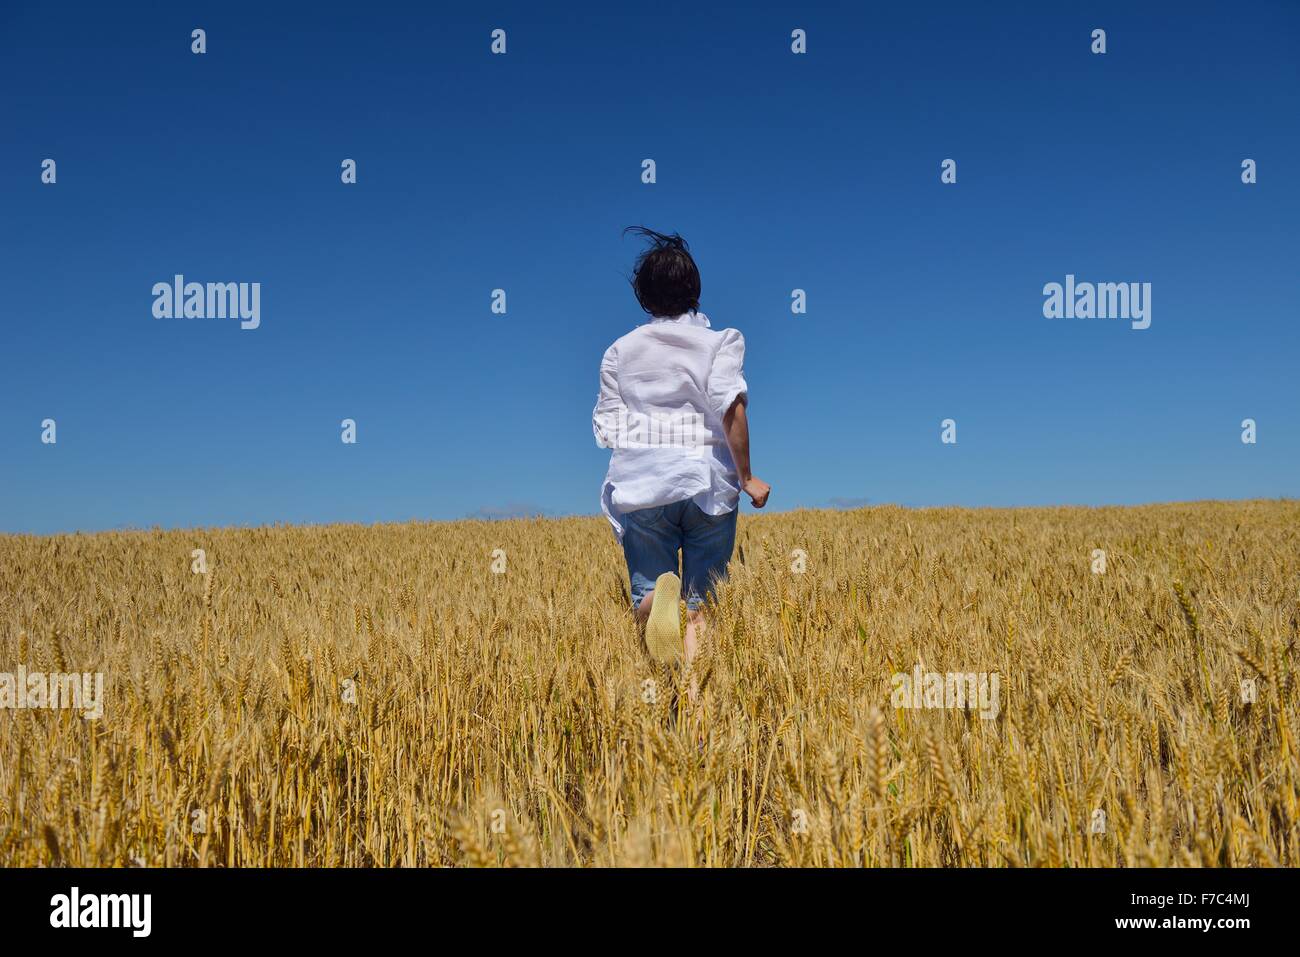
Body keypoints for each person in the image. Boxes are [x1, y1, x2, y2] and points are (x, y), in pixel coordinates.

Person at [593, 227, 770, 669]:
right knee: (703, 605)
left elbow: (607, 427)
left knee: (648, 590)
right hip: (706, 484)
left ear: (643, 297)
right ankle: (694, 702)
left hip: (644, 485)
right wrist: (747, 478)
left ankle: (655, 600)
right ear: (695, 291)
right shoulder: (719, 344)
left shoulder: (619, 352)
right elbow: (732, 410)